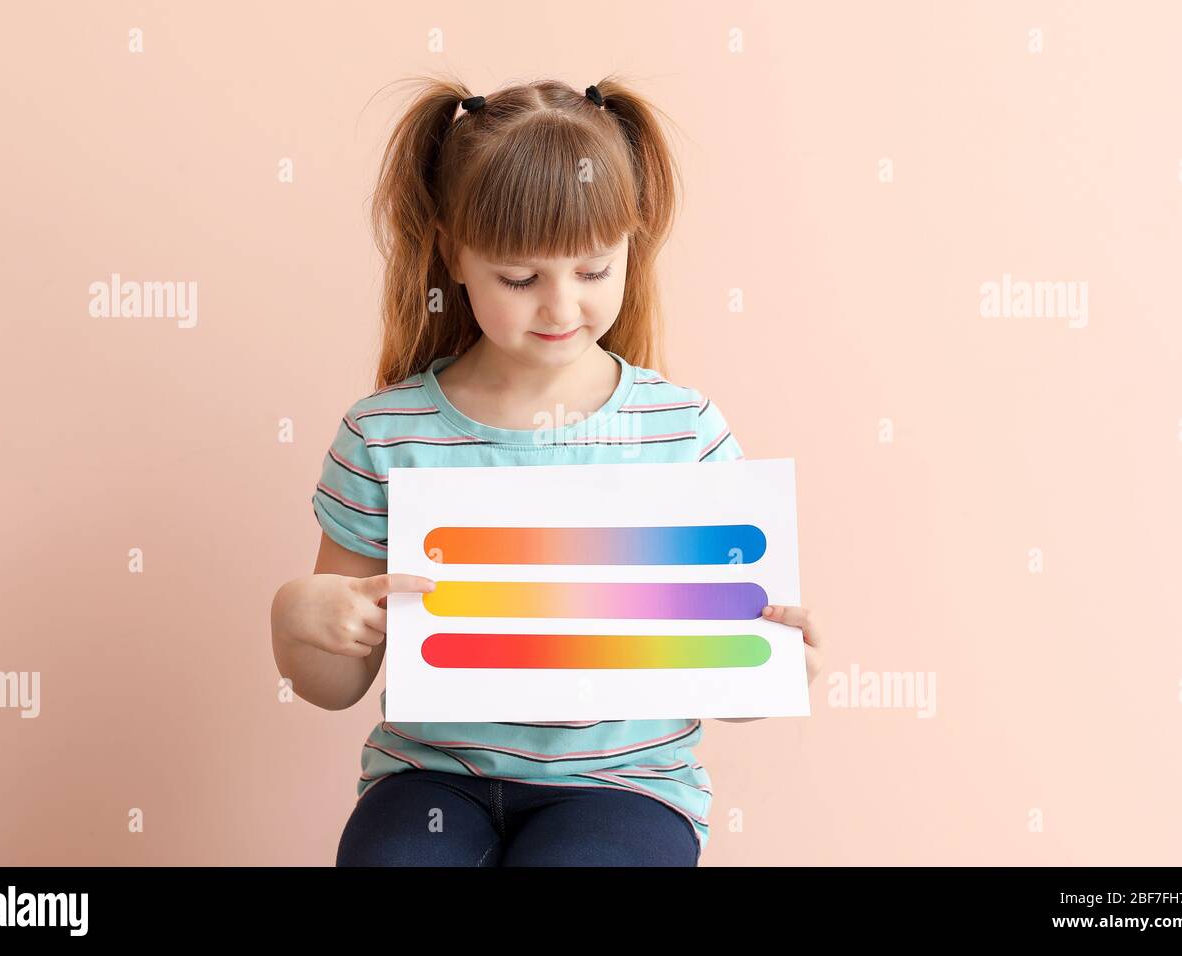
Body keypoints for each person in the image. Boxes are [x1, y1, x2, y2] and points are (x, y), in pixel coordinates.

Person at [270, 73, 822, 867]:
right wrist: (300, 620)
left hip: (624, 786)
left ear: (631, 244)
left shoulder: (684, 431)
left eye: (593, 270)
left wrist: (777, 666)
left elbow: (725, 667)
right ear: (453, 255)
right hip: (432, 778)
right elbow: (336, 685)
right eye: (521, 279)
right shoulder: (384, 434)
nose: (561, 308)